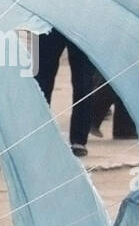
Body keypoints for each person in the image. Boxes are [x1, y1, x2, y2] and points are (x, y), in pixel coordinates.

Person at [34, 28, 94, 156]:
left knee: (83, 82)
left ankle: (78, 139)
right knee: (41, 83)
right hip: (48, 21)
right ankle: (40, 134)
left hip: (81, 21)